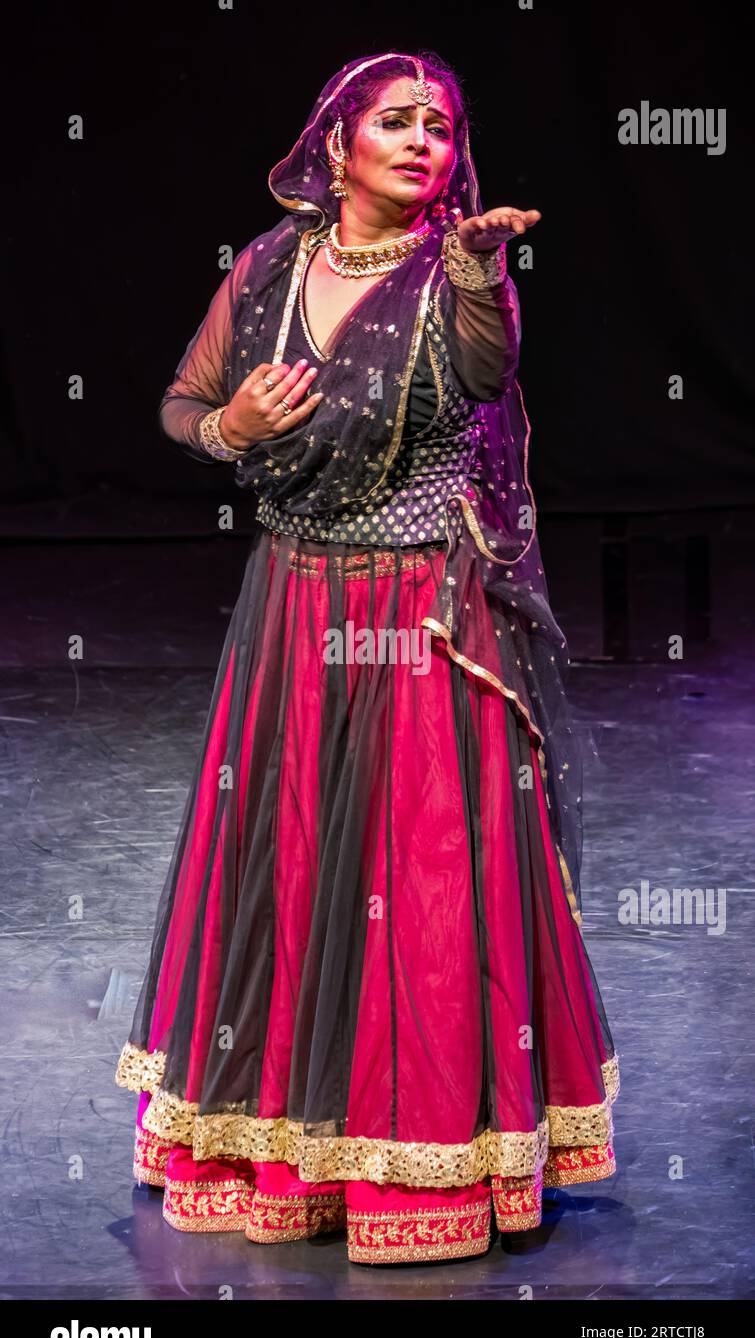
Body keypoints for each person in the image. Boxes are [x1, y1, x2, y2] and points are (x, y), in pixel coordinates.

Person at [114, 50, 620, 1266]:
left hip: (422, 617)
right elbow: (183, 406)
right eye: (391, 122)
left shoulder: (457, 265)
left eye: (438, 128)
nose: (419, 142)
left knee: (421, 876)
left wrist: (485, 265)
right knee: (286, 869)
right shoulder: (272, 265)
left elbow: (488, 371)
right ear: (334, 144)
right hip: (290, 606)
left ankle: (425, 1156)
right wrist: (229, 426)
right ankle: (280, 1139)